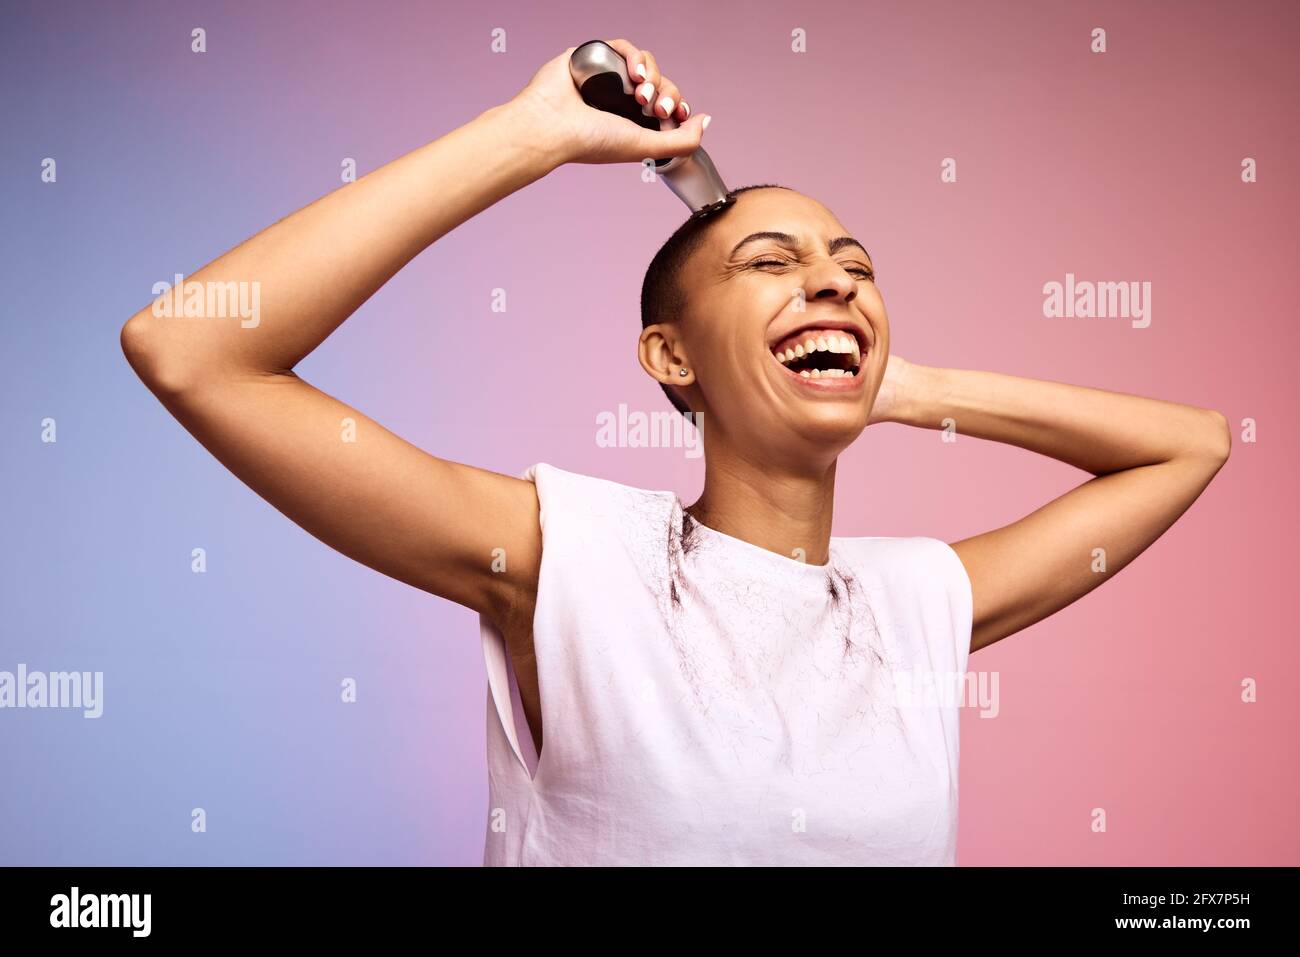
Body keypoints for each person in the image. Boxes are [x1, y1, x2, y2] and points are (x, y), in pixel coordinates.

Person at [120, 39, 1232, 865]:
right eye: (769, 263)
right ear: (670, 355)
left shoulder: (910, 605)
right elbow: (193, 351)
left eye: (854, 264)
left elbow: (1188, 447)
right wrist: (528, 135)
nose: (835, 279)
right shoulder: (572, 561)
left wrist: (910, 388)